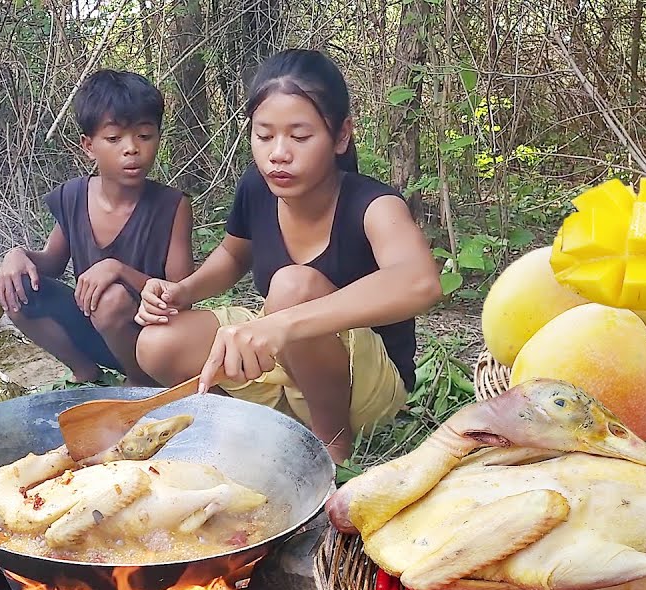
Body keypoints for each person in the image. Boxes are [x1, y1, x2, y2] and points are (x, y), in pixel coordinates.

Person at [134, 49, 443, 464]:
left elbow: (419, 282)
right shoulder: (257, 188)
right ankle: (247, 431)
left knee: (293, 285)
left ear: (341, 136)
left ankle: (331, 448)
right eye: (264, 136)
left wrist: (281, 324)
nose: (278, 153)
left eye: (299, 137)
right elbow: (232, 254)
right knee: (158, 343)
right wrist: (182, 291)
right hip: (283, 365)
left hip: (365, 387)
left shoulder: (372, 204)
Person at [0, 69, 194, 386]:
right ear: (89, 146)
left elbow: (182, 295)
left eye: (144, 136)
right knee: (17, 291)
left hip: (151, 339)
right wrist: (18, 255)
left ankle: (141, 382)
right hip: (93, 328)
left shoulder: (171, 206)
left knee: (111, 298)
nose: (131, 149)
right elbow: (52, 262)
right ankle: (85, 371)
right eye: (114, 139)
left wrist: (119, 270)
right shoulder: (74, 196)